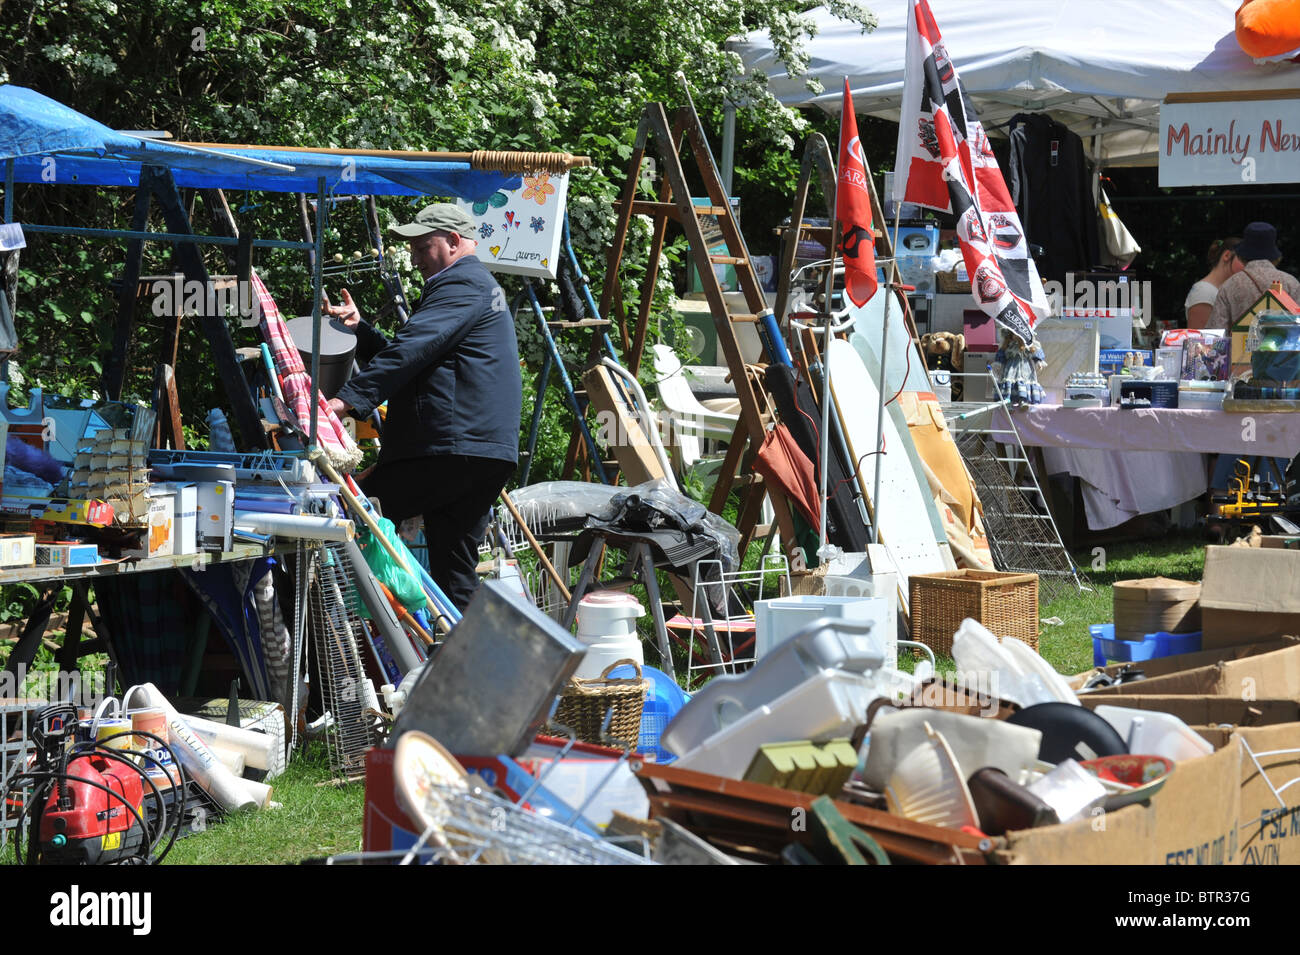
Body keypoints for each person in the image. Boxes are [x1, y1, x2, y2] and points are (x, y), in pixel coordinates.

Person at [326, 203, 522, 612]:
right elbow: (422, 358)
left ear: (453, 241)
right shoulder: (478, 287)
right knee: (455, 576)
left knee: (351, 511)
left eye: (421, 246)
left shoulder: (462, 284)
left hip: (449, 449)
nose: (414, 258)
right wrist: (360, 330)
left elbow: (412, 349)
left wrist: (346, 401)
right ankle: (460, 669)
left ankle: (341, 626)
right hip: (480, 453)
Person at [1207, 221, 1300, 330]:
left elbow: (1216, 332)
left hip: (1239, 346)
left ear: (1242, 255)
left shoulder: (1229, 286)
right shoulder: (1291, 283)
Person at [1183, 236, 1238, 329]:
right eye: (1243, 260)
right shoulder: (1203, 293)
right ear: (1227, 256)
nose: (1248, 266)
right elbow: (1198, 340)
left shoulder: (1222, 290)